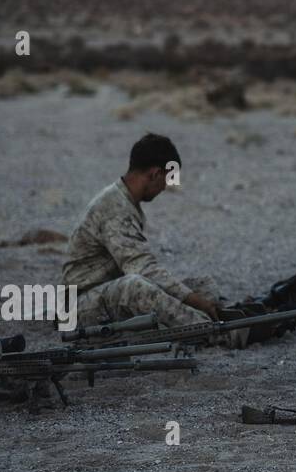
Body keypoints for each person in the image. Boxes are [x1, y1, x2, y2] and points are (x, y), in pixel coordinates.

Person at [65, 133, 224, 330]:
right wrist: (195, 301)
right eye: (166, 179)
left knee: (203, 285)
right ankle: (217, 332)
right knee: (136, 288)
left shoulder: (127, 201)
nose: (165, 187)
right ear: (155, 174)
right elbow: (141, 268)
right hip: (80, 307)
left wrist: (194, 297)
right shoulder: (115, 208)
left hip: (109, 291)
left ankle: (218, 318)